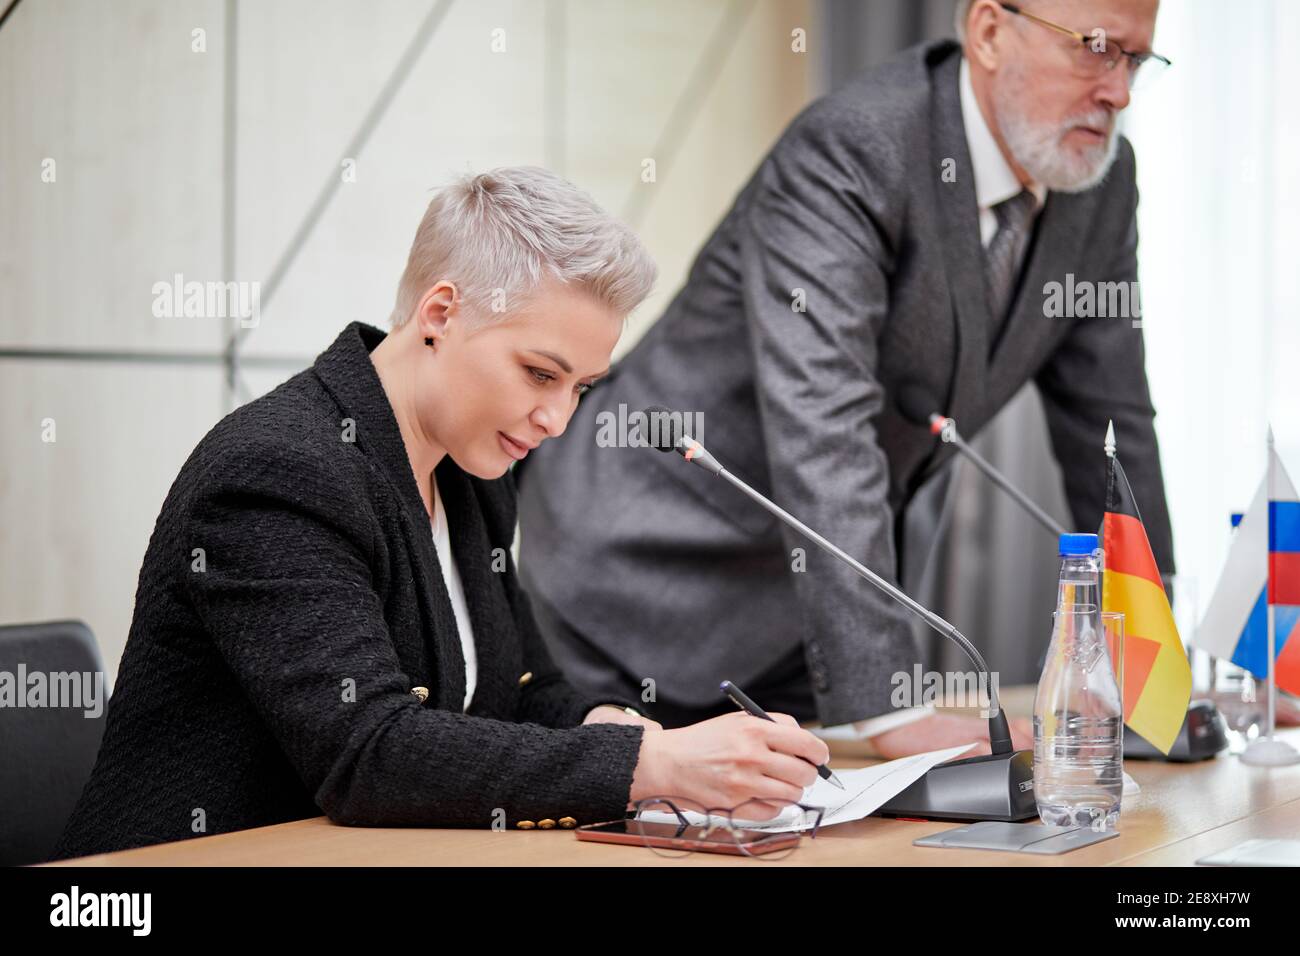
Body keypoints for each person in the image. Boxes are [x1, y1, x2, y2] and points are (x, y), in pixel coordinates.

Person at [50, 167, 830, 859]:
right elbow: (368, 752)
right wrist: (650, 769)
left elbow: (523, 689)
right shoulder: (279, 471)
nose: (558, 419)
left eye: (582, 388)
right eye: (539, 373)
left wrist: (634, 733)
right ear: (440, 313)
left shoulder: (471, 471)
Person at [515, 0, 1171, 755]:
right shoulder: (855, 146)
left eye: (1136, 59)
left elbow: (1115, 428)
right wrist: (894, 710)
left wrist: (1157, 669)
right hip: (641, 571)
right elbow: (823, 423)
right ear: (989, 32)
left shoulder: (1103, 181)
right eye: (1095, 48)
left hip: (815, 613)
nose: (1118, 90)